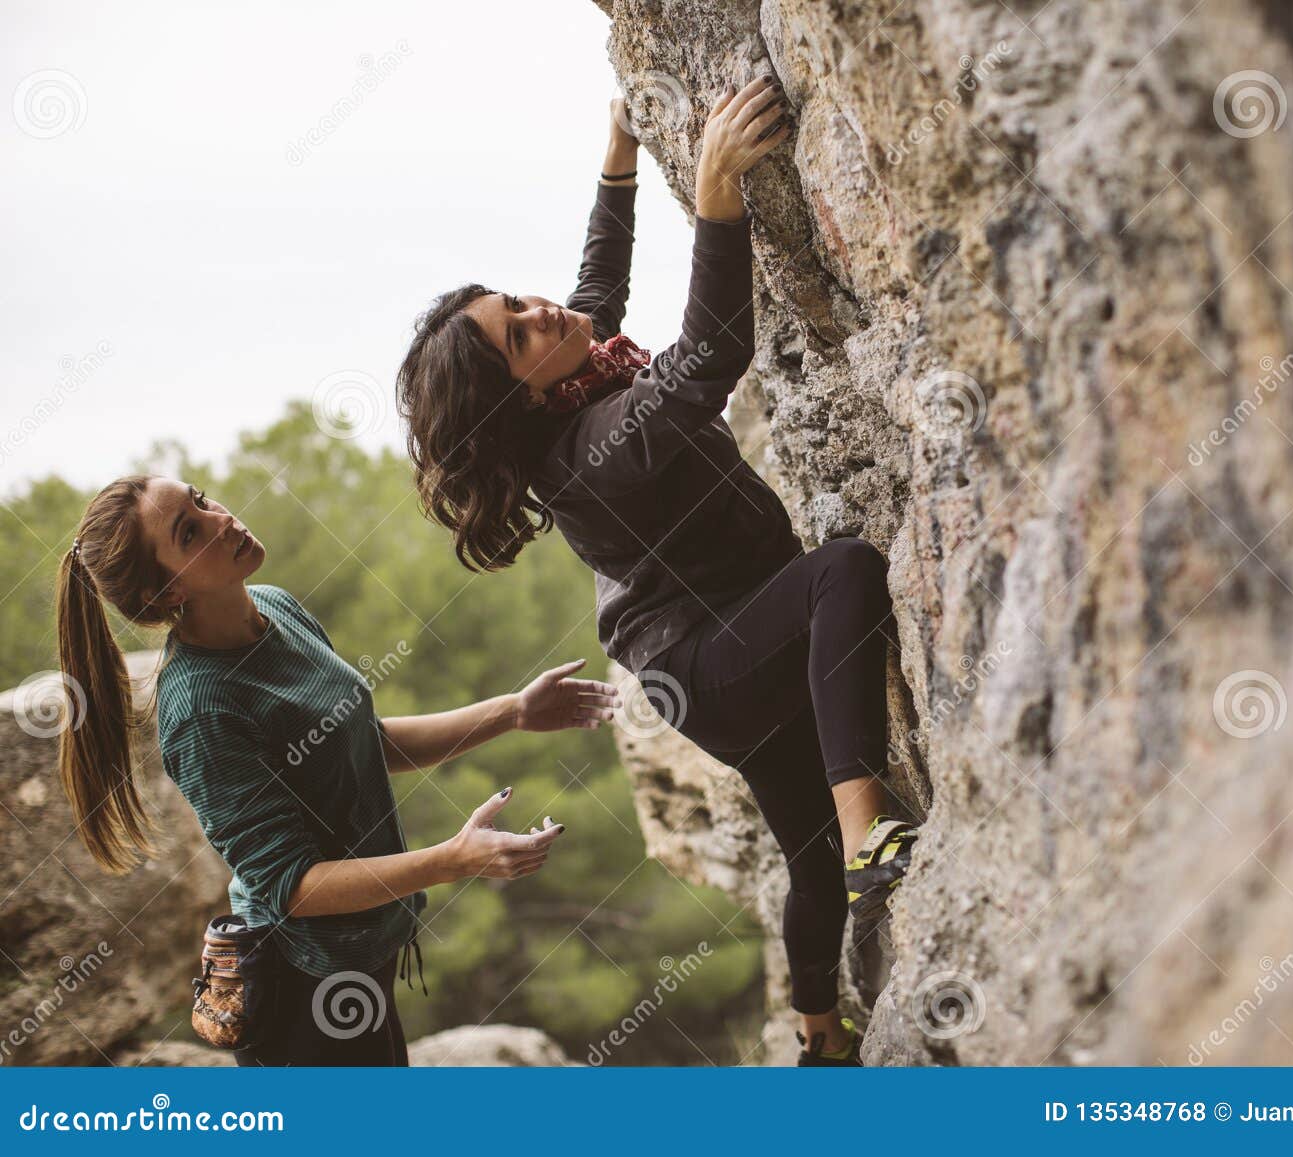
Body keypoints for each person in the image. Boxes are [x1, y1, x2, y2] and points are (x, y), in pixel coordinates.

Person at [395, 75, 919, 1065]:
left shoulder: (571, 374)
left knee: (798, 858)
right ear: (517, 397)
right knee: (842, 570)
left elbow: (591, 292)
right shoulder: (591, 446)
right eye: (518, 333)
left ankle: (819, 1040)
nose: (540, 312)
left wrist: (619, 152)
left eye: (515, 301)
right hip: (703, 656)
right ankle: (869, 841)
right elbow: (710, 355)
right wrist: (714, 187)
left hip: (713, 647)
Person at [54, 474, 619, 1065]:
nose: (222, 519)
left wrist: (512, 712)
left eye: (201, 498)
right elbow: (291, 888)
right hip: (305, 993)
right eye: (190, 532)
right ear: (162, 594)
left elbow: (357, 744)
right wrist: (454, 859)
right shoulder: (201, 709)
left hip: (363, 956)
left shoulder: (274, 606)